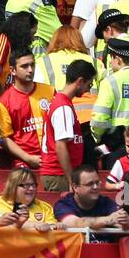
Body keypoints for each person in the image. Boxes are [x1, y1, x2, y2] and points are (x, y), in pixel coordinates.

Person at [38, 58, 96, 193]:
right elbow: (61, 146)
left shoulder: (60, 102)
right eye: (89, 85)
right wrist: (71, 181)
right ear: (80, 81)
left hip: (59, 173)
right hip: (59, 175)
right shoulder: (63, 107)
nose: (89, 90)